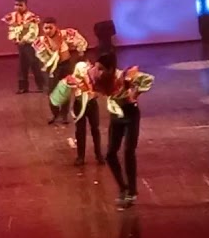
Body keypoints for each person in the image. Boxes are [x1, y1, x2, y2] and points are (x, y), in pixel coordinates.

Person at [92, 54, 154, 210]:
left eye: (101, 69)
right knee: (110, 154)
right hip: (116, 116)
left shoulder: (124, 76)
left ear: (110, 69)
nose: (98, 71)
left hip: (130, 115)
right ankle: (123, 187)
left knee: (128, 151)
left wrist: (135, 93)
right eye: (97, 68)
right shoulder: (101, 79)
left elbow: (148, 79)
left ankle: (132, 192)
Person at [33, 17, 89, 123]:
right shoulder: (40, 41)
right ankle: (55, 114)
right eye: (46, 28)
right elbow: (41, 56)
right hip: (52, 68)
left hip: (65, 66)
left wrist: (81, 52)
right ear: (42, 28)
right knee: (51, 91)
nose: (48, 30)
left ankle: (64, 115)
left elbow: (80, 41)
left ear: (55, 27)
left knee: (65, 89)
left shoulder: (64, 34)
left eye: (50, 27)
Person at [52, 59, 101, 162]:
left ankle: (98, 154)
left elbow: (97, 90)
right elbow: (62, 91)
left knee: (95, 129)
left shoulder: (92, 76)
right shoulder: (73, 79)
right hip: (79, 104)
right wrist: (68, 83)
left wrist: (92, 89)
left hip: (92, 104)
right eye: (82, 68)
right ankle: (81, 156)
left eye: (85, 67)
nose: (84, 70)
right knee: (80, 130)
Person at [2, 0, 44, 94]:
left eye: (20, 5)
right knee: (22, 65)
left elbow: (33, 31)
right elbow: (11, 29)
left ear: (25, 5)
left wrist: (24, 39)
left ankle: (41, 85)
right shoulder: (12, 16)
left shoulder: (31, 17)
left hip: (30, 44)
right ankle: (23, 87)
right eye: (16, 5)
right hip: (20, 44)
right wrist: (14, 38)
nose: (18, 7)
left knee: (34, 63)